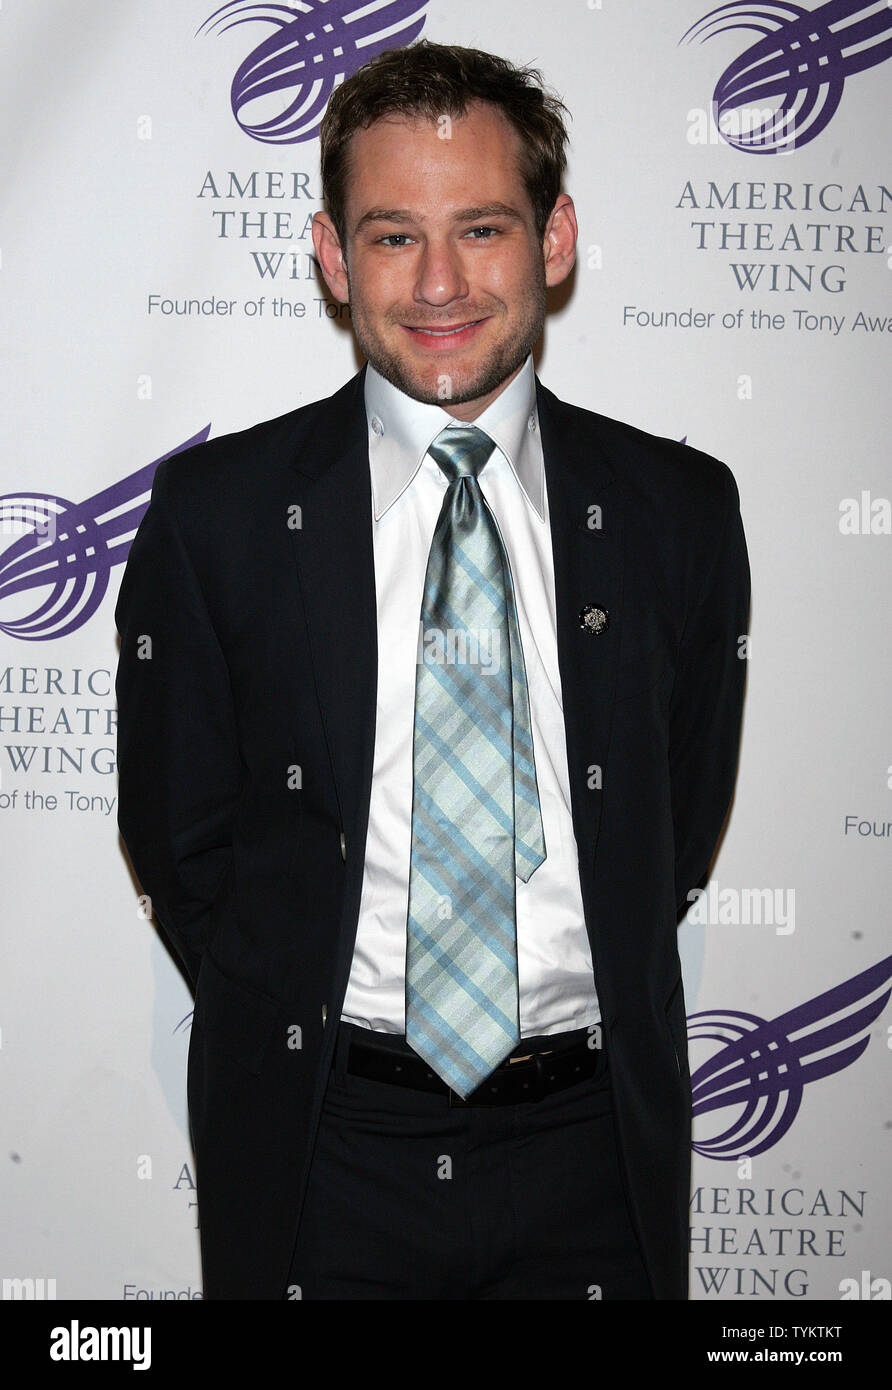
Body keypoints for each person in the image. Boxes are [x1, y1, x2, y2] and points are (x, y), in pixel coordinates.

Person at [115, 40, 749, 1300]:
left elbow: (672, 831)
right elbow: (185, 848)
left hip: (595, 1150)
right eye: (395, 236)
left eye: (484, 228)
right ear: (333, 257)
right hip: (322, 1147)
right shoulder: (219, 513)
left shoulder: (676, 508)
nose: (441, 283)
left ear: (554, 240)